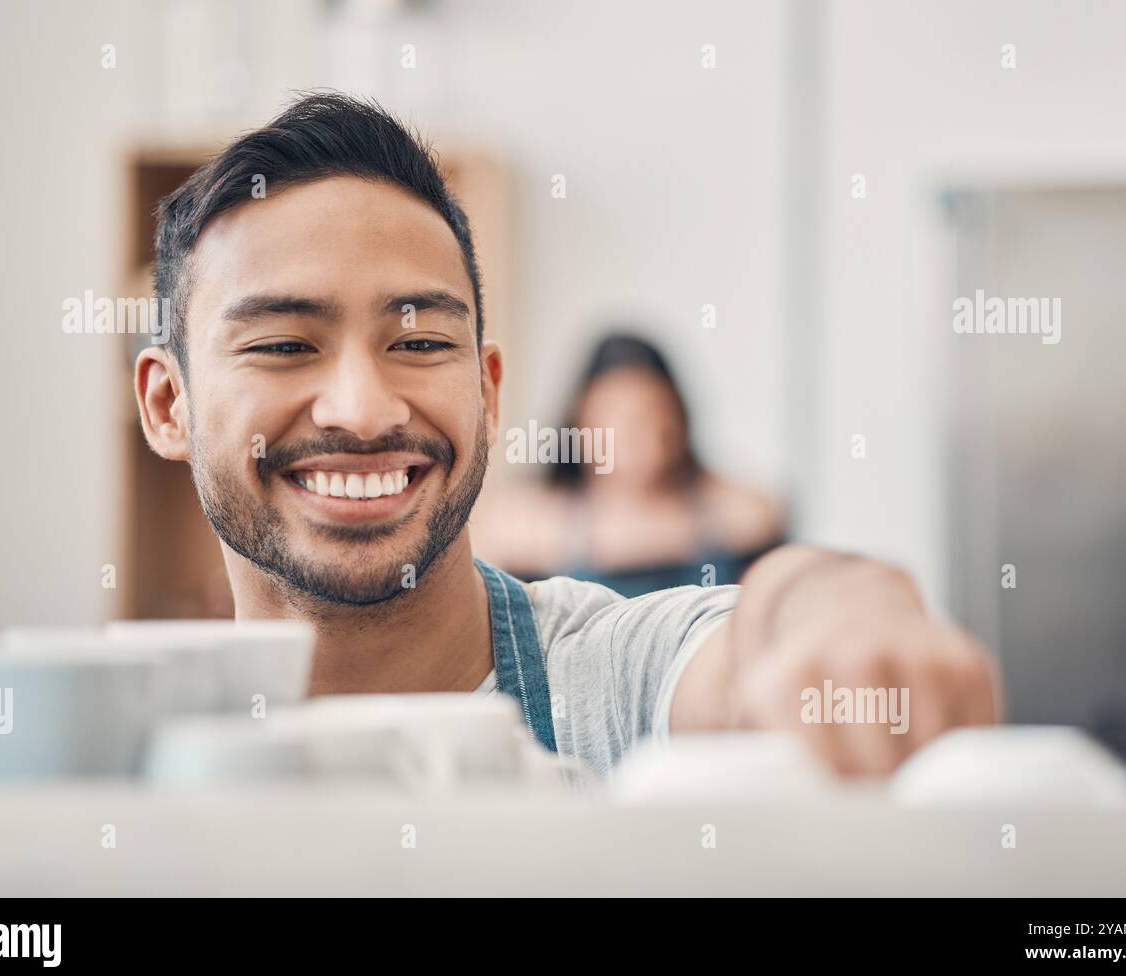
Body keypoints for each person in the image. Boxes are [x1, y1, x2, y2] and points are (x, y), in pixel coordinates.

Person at [134, 92, 999, 777]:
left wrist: (846, 608)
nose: (363, 411)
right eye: (285, 345)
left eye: (421, 343)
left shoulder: (613, 681)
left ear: (487, 388)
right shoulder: (115, 738)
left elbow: (747, 636)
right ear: (169, 405)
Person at [473, 332, 785, 596]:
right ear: (579, 425)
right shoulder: (522, 520)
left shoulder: (741, 511)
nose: (638, 438)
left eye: (653, 417)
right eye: (617, 420)